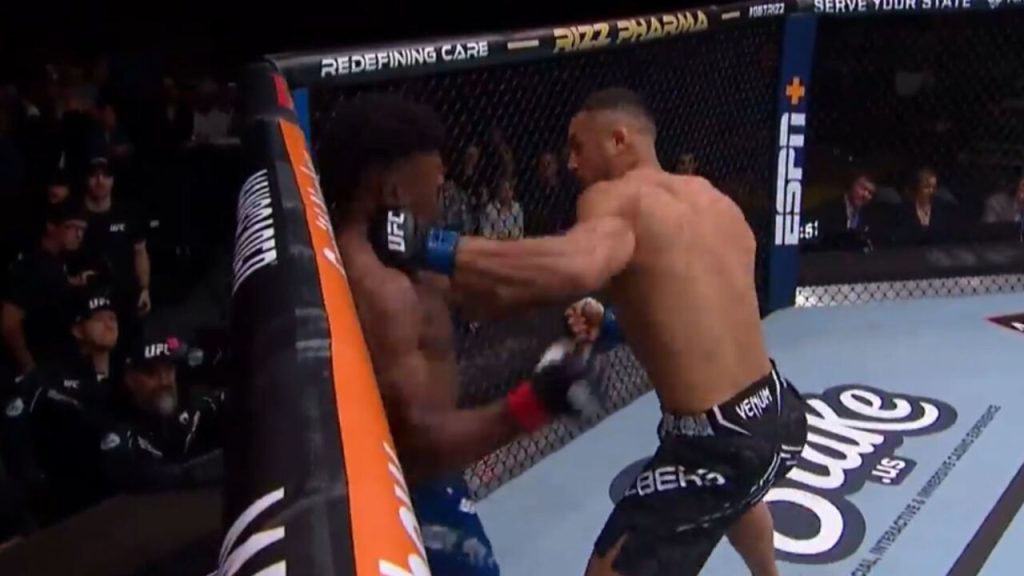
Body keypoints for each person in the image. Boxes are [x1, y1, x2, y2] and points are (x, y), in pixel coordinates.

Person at [369, 87, 809, 576]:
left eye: (579, 147)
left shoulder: (616, 199)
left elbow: (575, 267)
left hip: (716, 445)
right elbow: (704, 316)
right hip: (779, 413)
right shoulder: (712, 200)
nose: (571, 163)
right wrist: (616, 325)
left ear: (619, 140)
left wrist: (429, 244)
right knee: (738, 494)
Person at [319, 94, 602, 576]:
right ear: (392, 187)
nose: (442, 180)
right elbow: (414, 446)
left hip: (432, 480)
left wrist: (570, 306)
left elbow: (478, 295)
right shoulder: (383, 293)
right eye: (433, 168)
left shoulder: (400, 252)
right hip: (405, 500)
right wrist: (537, 401)